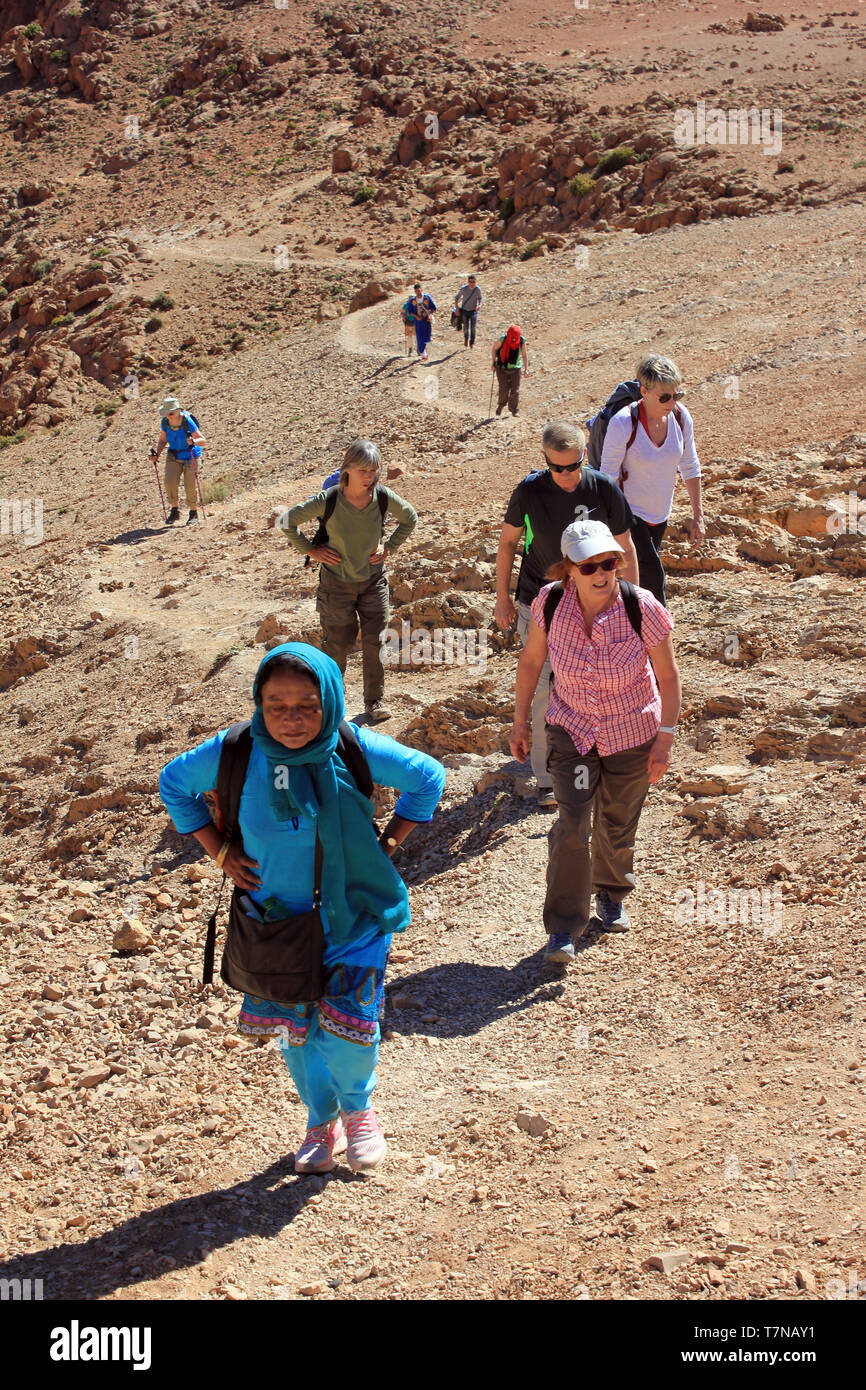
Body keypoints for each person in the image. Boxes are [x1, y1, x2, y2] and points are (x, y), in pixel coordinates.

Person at [159, 643, 447, 1174]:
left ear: (331, 701)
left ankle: (360, 1114)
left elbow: (428, 777)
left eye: (308, 705)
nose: (292, 720)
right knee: (299, 1032)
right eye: (277, 706)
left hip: (353, 918)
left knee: (350, 1025)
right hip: (277, 923)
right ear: (259, 704)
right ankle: (320, 1122)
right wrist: (220, 852)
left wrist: (385, 846)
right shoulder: (237, 752)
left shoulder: (350, 746)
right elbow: (173, 784)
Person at [509, 520, 681, 961]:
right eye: (589, 567)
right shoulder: (549, 602)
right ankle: (564, 928)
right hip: (573, 732)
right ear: (569, 570)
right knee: (573, 824)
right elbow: (531, 663)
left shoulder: (642, 607)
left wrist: (664, 739)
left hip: (632, 733)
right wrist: (520, 721)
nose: (602, 573)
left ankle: (611, 890)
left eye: (609, 562)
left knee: (618, 822)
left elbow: (668, 677)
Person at [495, 421, 639, 808]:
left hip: (596, 602)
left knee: (597, 684)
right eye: (558, 468)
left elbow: (625, 546)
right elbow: (508, 543)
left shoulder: (603, 487)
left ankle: (602, 765)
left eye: (574, 466)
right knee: (544, 687)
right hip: (540, 603)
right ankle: (548, 781)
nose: (567, 476)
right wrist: (502, 598)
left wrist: (633, 600)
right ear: (545, 461)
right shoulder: (529, 491)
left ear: (584, 458)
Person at [282, 440, 417, 724]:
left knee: (375, 640)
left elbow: (410, 518)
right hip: (336, 585)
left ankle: (374, 700)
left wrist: (389, 547)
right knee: (338, 644)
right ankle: (332, 703)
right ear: (347, 470)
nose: (369, 477)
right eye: (363, 471)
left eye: (374, 471)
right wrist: (311, 550)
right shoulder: (329, 500)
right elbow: (287, 521)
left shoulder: (381, 497)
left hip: (373, 581)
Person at [598, 355, 705, 605]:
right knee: (652, 577)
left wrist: (698, 514)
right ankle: (660, 633)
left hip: (659, 514)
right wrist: (611, 524)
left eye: (675, 395)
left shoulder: (680, 417)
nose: (671, 402)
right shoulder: (624, 422)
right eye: (664, 397)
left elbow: (690, 466)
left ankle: (630, 630)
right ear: (644, 391)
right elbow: (607, 477)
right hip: (628, 513)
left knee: (639, 579)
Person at [151, 396, 205, 525]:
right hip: (173, 455)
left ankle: (193, 512)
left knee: (190, 485)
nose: (168, 416)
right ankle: (174, 510)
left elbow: (203, 440)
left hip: (190, 455)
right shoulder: (165, 422)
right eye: (166, 414)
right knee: (169, 483)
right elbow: (163, 439)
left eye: (170, 413)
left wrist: (193, 441)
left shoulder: (187, 421)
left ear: (177, 411)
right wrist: (157, 454)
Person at [491, 324, 528, 417]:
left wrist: (526, 369)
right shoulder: (503, 339)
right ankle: (501, 405)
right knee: (503, 388)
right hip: (502, 367)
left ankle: (514, 409)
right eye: (512, 337)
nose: (514, 339)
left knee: (515, 390)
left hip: (516, 368)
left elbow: (524, 354)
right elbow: (494, 349)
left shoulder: (522, 340)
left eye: (516, 337)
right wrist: (493, 362)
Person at [408, 282, 436, 363]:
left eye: (419, 290)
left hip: (427, 320)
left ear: (421, 290)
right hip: (418, 321)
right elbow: (410, 310)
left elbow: (433, 307)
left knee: (427, 336)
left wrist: (429, 315)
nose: (418, 292)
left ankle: (424, 352)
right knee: (420, 337)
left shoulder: (427, 298)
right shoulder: (412, 300)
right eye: (416, 291)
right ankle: (424, 354)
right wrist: (416, 316)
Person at [454, 274, 483, 348]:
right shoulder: (464, 289)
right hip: (464, 310)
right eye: (470, 282)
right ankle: (466, 338)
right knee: (466, 327)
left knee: (473, 327)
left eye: (473, 282)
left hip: (473, 311)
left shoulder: (477, 289)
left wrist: (479, 305)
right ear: (468, 281)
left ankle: (472, 342)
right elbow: (457, 298)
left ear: (475, 281)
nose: (472, 283)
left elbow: (480, 298)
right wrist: (457, 309)